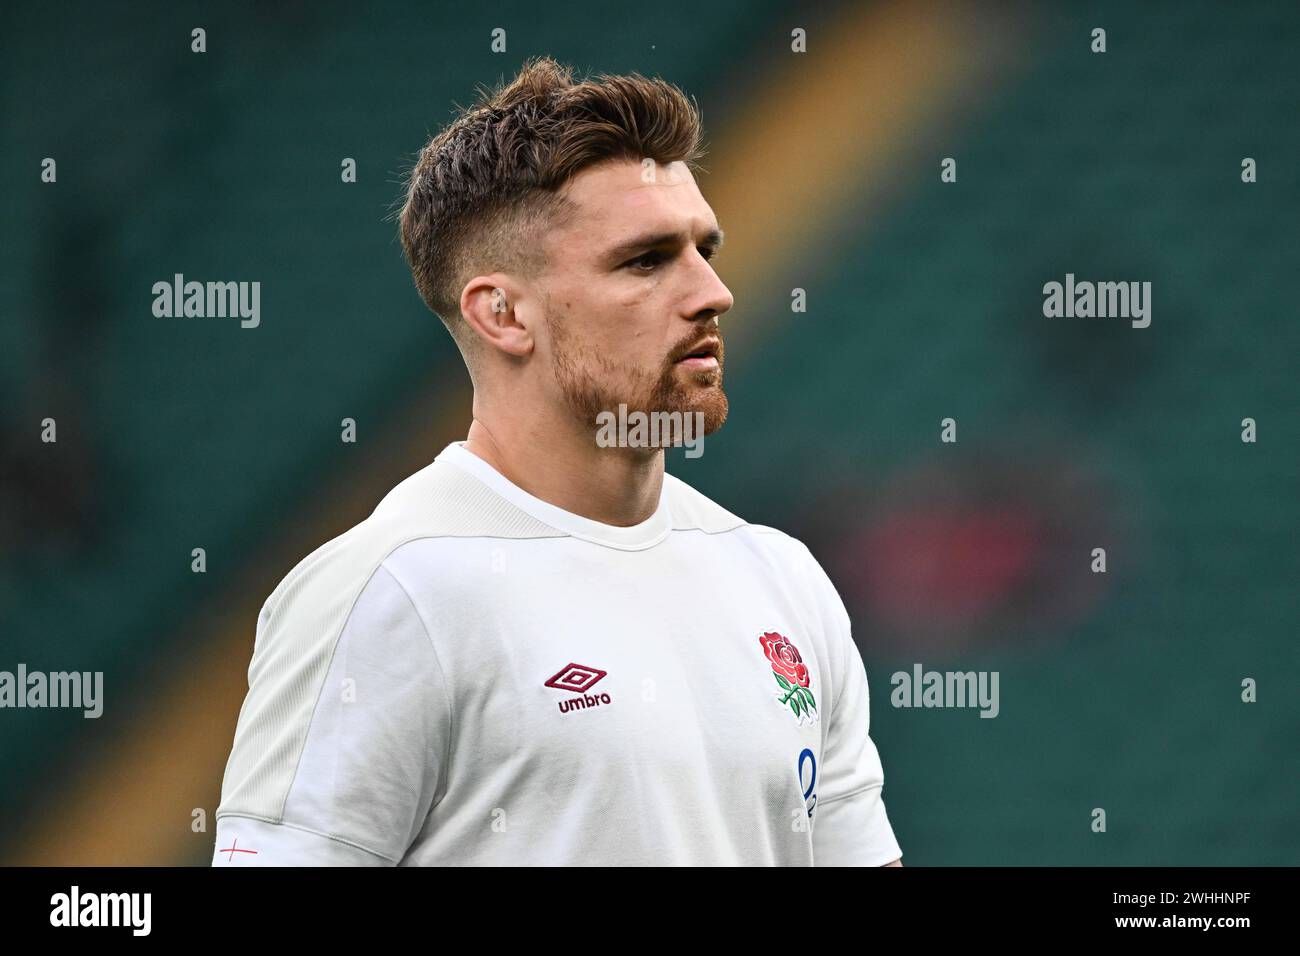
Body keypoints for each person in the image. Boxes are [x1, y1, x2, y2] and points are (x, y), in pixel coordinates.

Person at [212, 55, 902, 866]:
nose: (712, 290)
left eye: (703, 248)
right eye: (646, 260)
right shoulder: (391, 592)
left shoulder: (780, 578)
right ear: (501, 313)